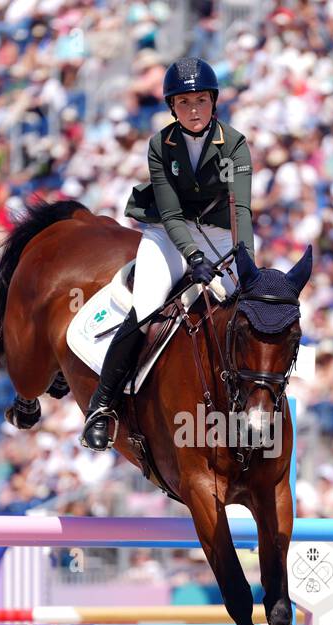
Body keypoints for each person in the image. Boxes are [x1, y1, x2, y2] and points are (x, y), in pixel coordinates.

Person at [81, 56, 256, 451]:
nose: (193, 110)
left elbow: (240, 210)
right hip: (168, 232)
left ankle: (250, 410)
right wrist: (193, 258)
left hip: (220, 233)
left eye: (200, 101)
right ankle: (103, 406)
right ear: (172, 108)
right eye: (184, 103)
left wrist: (246, 263)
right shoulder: (161, 145)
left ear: (214, 102)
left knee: (247, 310)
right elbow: (172, 213)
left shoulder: (235, 145)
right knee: (146, 308)